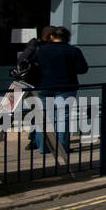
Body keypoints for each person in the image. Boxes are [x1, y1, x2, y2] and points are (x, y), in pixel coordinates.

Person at [28, 26, 89, 159]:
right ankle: (61, 148)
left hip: (43, 86)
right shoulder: (73, 51)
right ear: (67, 37)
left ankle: (43, 147)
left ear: (51, 36)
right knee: (63, 117)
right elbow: (82, 69)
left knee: (43, 118)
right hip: (66, 87)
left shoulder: (41, 50)